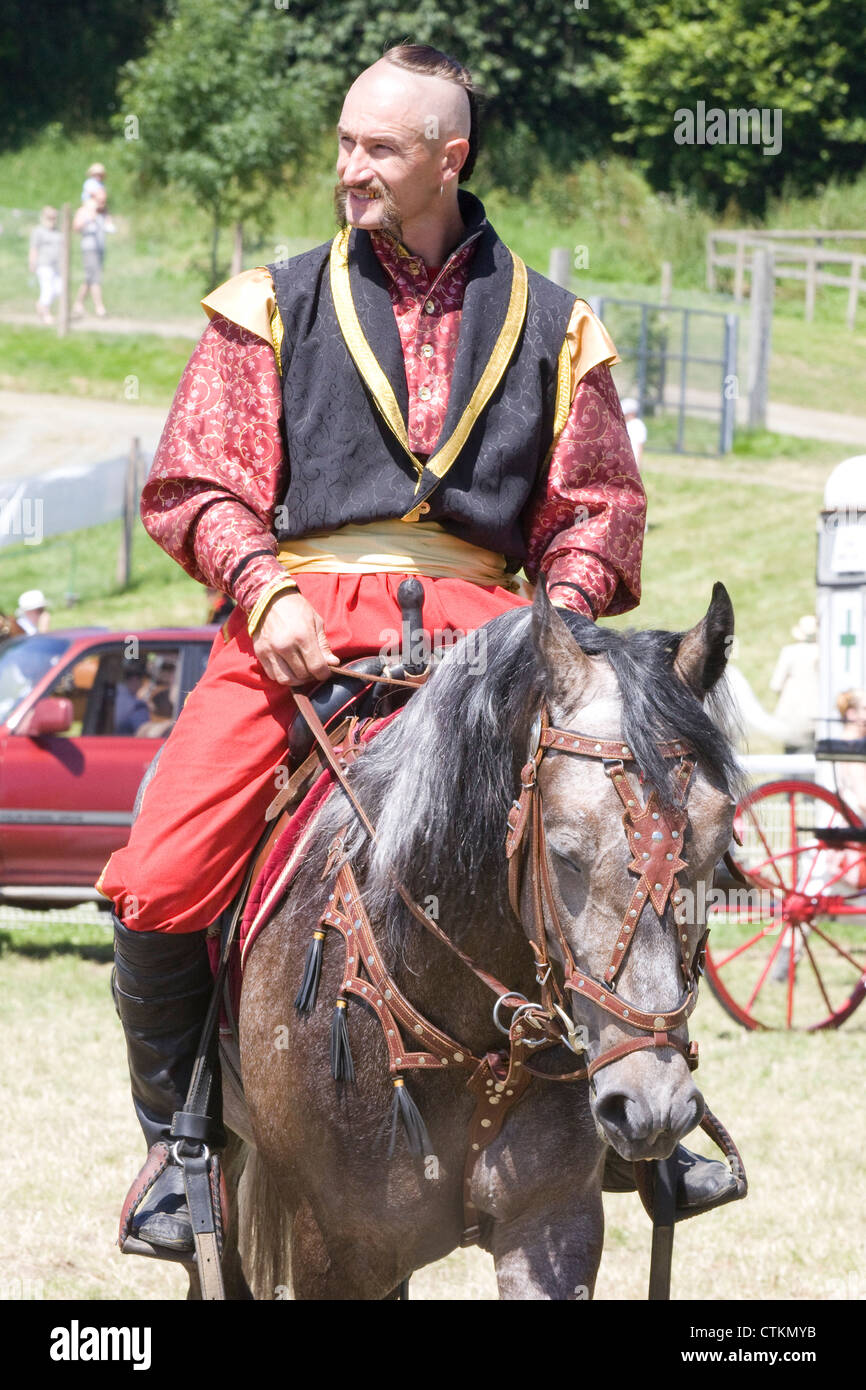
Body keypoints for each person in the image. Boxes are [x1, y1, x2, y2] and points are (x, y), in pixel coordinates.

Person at [98, 44, 732, 1258]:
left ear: (450, 157)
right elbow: (194, 478)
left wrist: (560, 625)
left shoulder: (559, 325)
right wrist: (257, 583)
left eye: (376, 149)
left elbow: (596, 507)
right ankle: (178, 1155)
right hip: (297, 625)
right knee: (166, 860)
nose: (348, 169)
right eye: (343, 144)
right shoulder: (269, 302)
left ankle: (657, 1128)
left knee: (621, 828)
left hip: (494, 647)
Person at [769, 614, 820, 752]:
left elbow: (776, 684)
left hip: (793, 713)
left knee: (793, 755)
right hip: (818, 715)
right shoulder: (823, 652)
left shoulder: (790, 652)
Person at [72, 188, 114, 318]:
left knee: (90, 278)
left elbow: (110, 226)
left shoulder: (104, 212)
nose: (102, 202)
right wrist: (90, 217)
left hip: (100, 248)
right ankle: (99, 307)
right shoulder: (84, 210)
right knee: (95, 277)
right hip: (89, 248)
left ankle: (78, 304)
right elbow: (76, 227)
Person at [28, 207, 63, 324]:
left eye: (54, 218)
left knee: (59, 289)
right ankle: (46, 314)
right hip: (44, 265)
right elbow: (34, 248)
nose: (52, 220)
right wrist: (32, 262)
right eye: (50, 218)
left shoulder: (58, 232)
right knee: (47, 289)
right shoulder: (39, 231)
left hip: (57, 266)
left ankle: (41, 306)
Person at [620, 397, 647, 467]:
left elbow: (640, 445)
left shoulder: (637, 424)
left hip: (632, 459)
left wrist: (638, 463)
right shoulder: (625, 424)